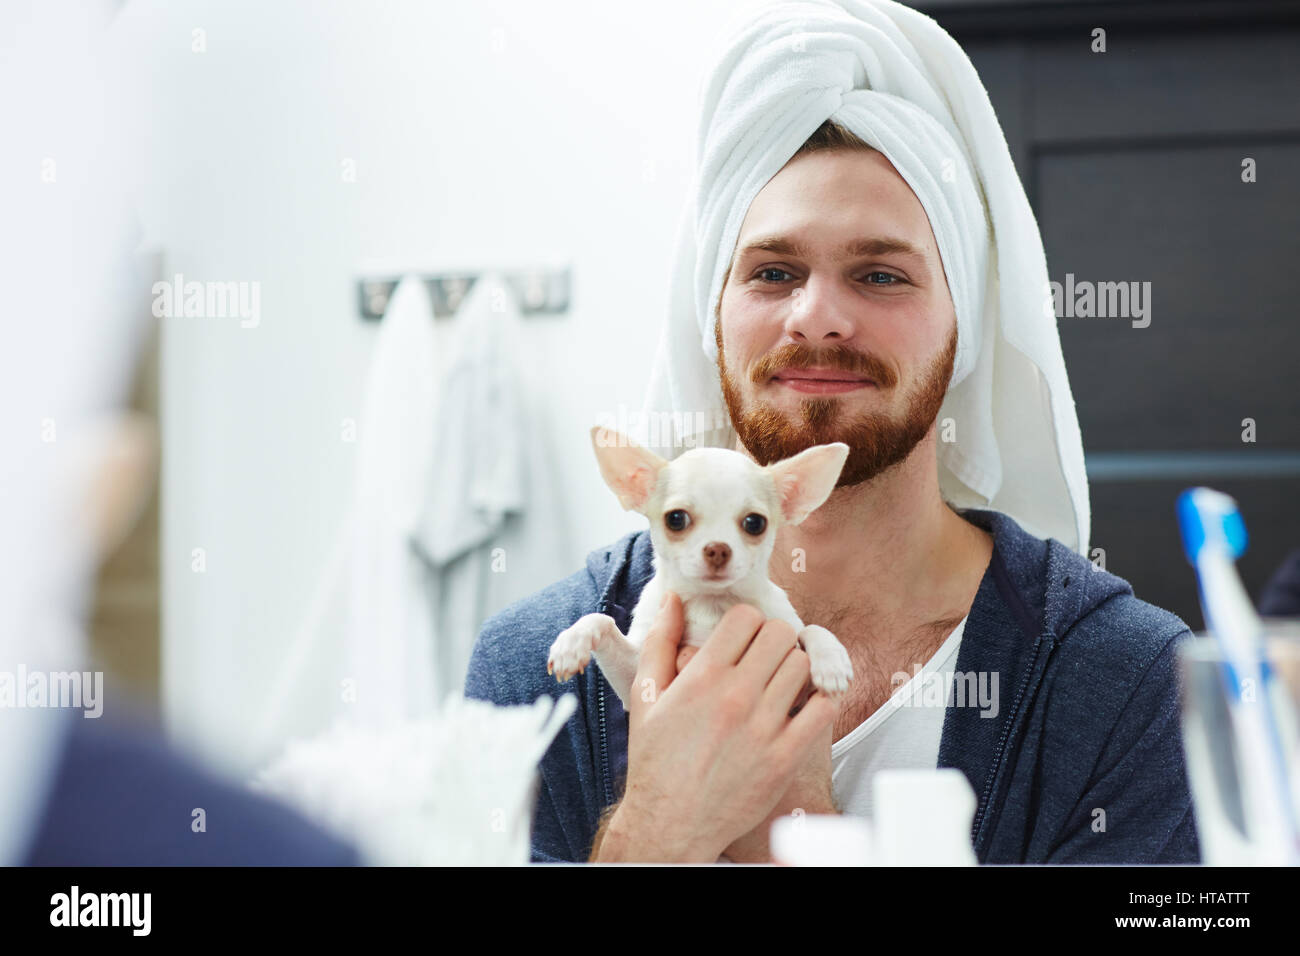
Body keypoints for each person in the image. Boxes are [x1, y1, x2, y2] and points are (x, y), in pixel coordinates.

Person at [465, 0, 1199, 864]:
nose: (818, 318)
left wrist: (794, 817)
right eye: (773, 271)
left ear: (964, 324)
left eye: (881, 275)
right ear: (712, 315)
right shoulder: (532, 673)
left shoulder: (1127, 686)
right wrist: (654, 830)